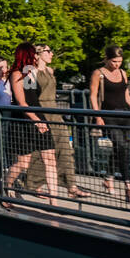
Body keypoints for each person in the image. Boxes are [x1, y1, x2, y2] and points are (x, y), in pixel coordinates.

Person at [21, 44, 88, 199]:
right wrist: (35, 118)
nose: (51, 54)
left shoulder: (50, 71)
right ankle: (32, 184)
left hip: (55, 113)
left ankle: (71, 186)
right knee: (41, 152)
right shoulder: (28, 71)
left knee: (65, 147)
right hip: (41, 112)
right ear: (37, 55)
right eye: (48, 51)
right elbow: (28, 97)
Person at [2, 42, 60, 206]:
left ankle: (54, 201)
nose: (36, 55)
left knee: (50, 159)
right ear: (26, 54)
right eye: (34, 53)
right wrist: (37, 121)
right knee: (23, 163)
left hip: (37, 116)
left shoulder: (29, 71)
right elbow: (22, 102)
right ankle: (6, 186)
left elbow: (33, 98)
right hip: (23, 120)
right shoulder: (16, 74)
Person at [89, 46, 130, 204]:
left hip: (124, 115)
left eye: (120, 61)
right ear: (106, 58)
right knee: (121, 145)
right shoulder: (98, 74)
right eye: (114, 61)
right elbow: (93, 96)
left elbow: (126, 95)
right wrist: (97, 116)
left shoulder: (123, 73)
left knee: (121, 147)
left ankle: (108, 178)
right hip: (108, 116)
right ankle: (129, 186)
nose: (117, 64)